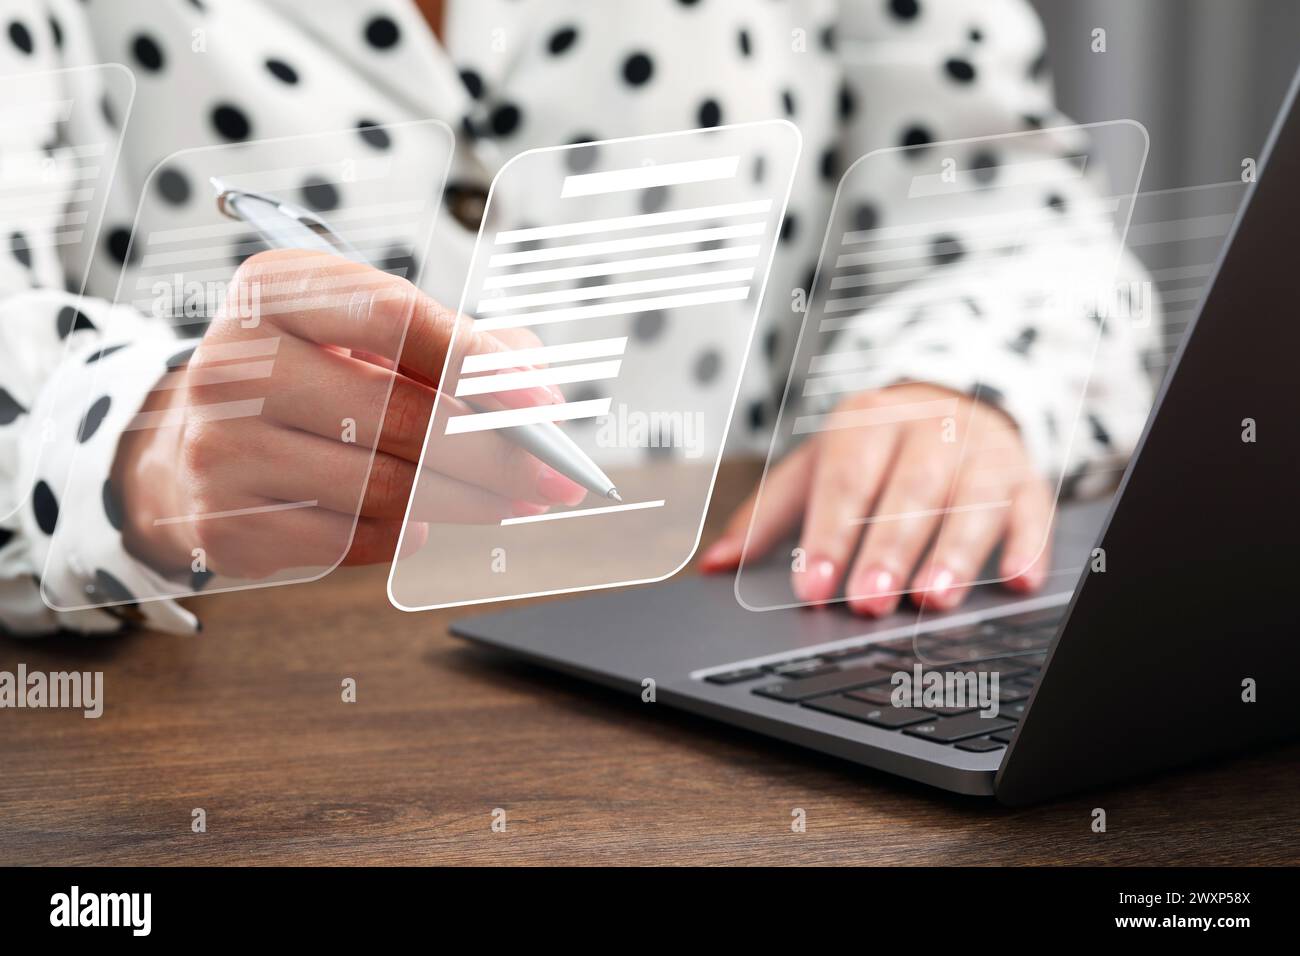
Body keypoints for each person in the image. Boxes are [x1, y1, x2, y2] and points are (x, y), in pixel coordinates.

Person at [0, 0, 1155, 636]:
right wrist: (131, 455)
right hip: (217, 746)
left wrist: (947, 383)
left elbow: (1017, 212)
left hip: (727, 640)